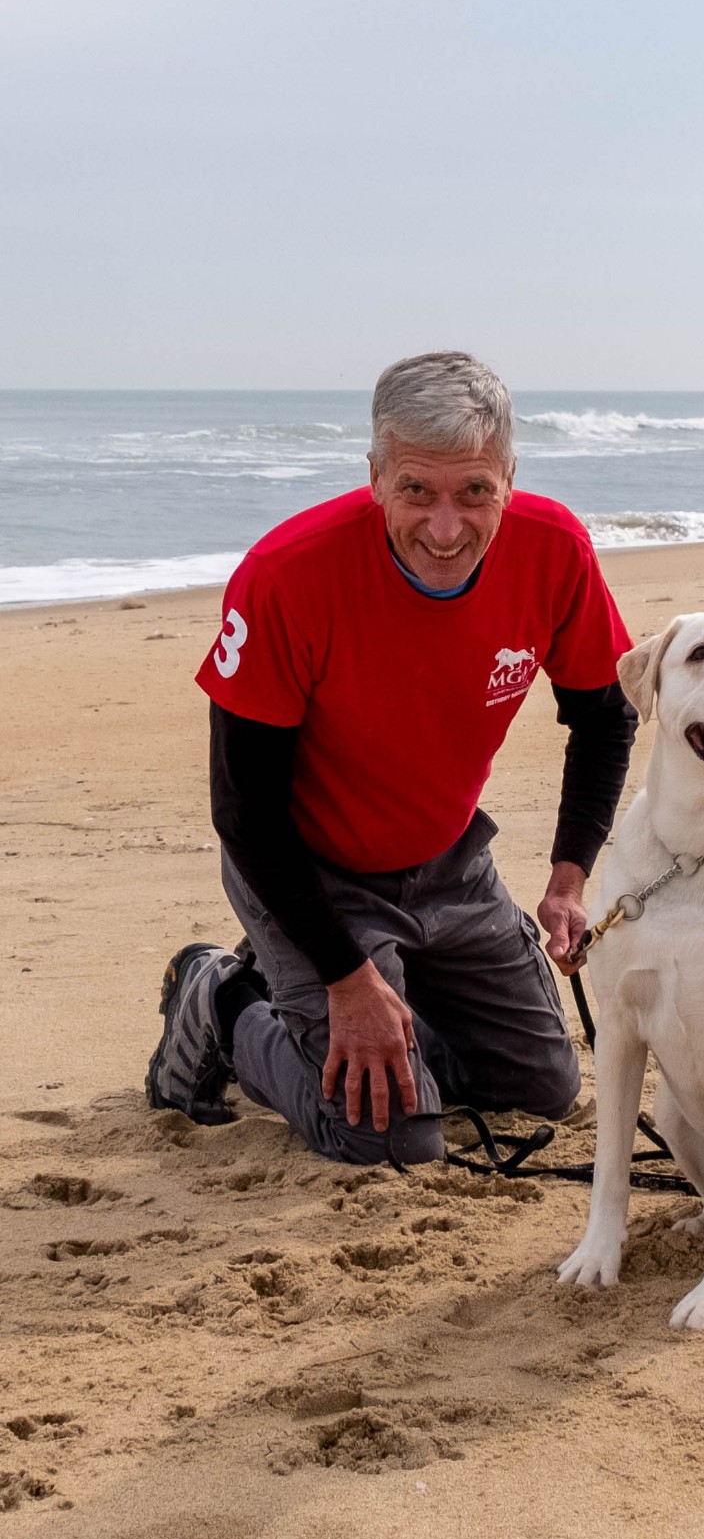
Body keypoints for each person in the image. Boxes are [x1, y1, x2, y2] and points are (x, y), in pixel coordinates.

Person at [146, 351, 636, 1166]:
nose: (446, 530)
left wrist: (568, 877)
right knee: (386, 1137)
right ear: (375, 476)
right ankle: (226, 1000)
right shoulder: (285, 576)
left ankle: (389, 1004)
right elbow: (244, 810)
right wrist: (343, 977)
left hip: (446, 858)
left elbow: (603, 716)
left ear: (509, 477)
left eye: (474, 491)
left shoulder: (555, 549)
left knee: (542, 1087)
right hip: (308, 873)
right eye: (416, 490)